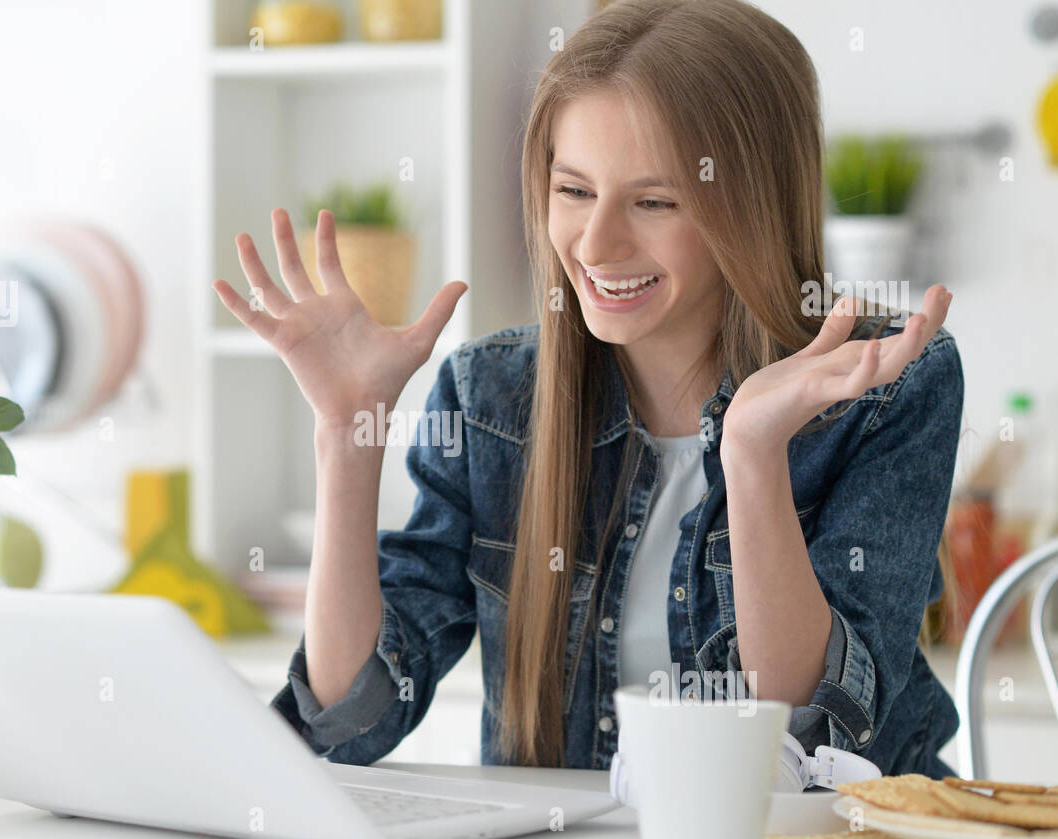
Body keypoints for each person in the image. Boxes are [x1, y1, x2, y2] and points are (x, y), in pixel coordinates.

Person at [212, 0, 963, 775]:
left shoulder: (884, 388)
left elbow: (812, 738)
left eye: (654, 201)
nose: (597, 244)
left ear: (753, 204)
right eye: (573, 192)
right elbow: (350, 722)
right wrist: (344, 434)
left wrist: (752, 449)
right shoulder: (490, 400)